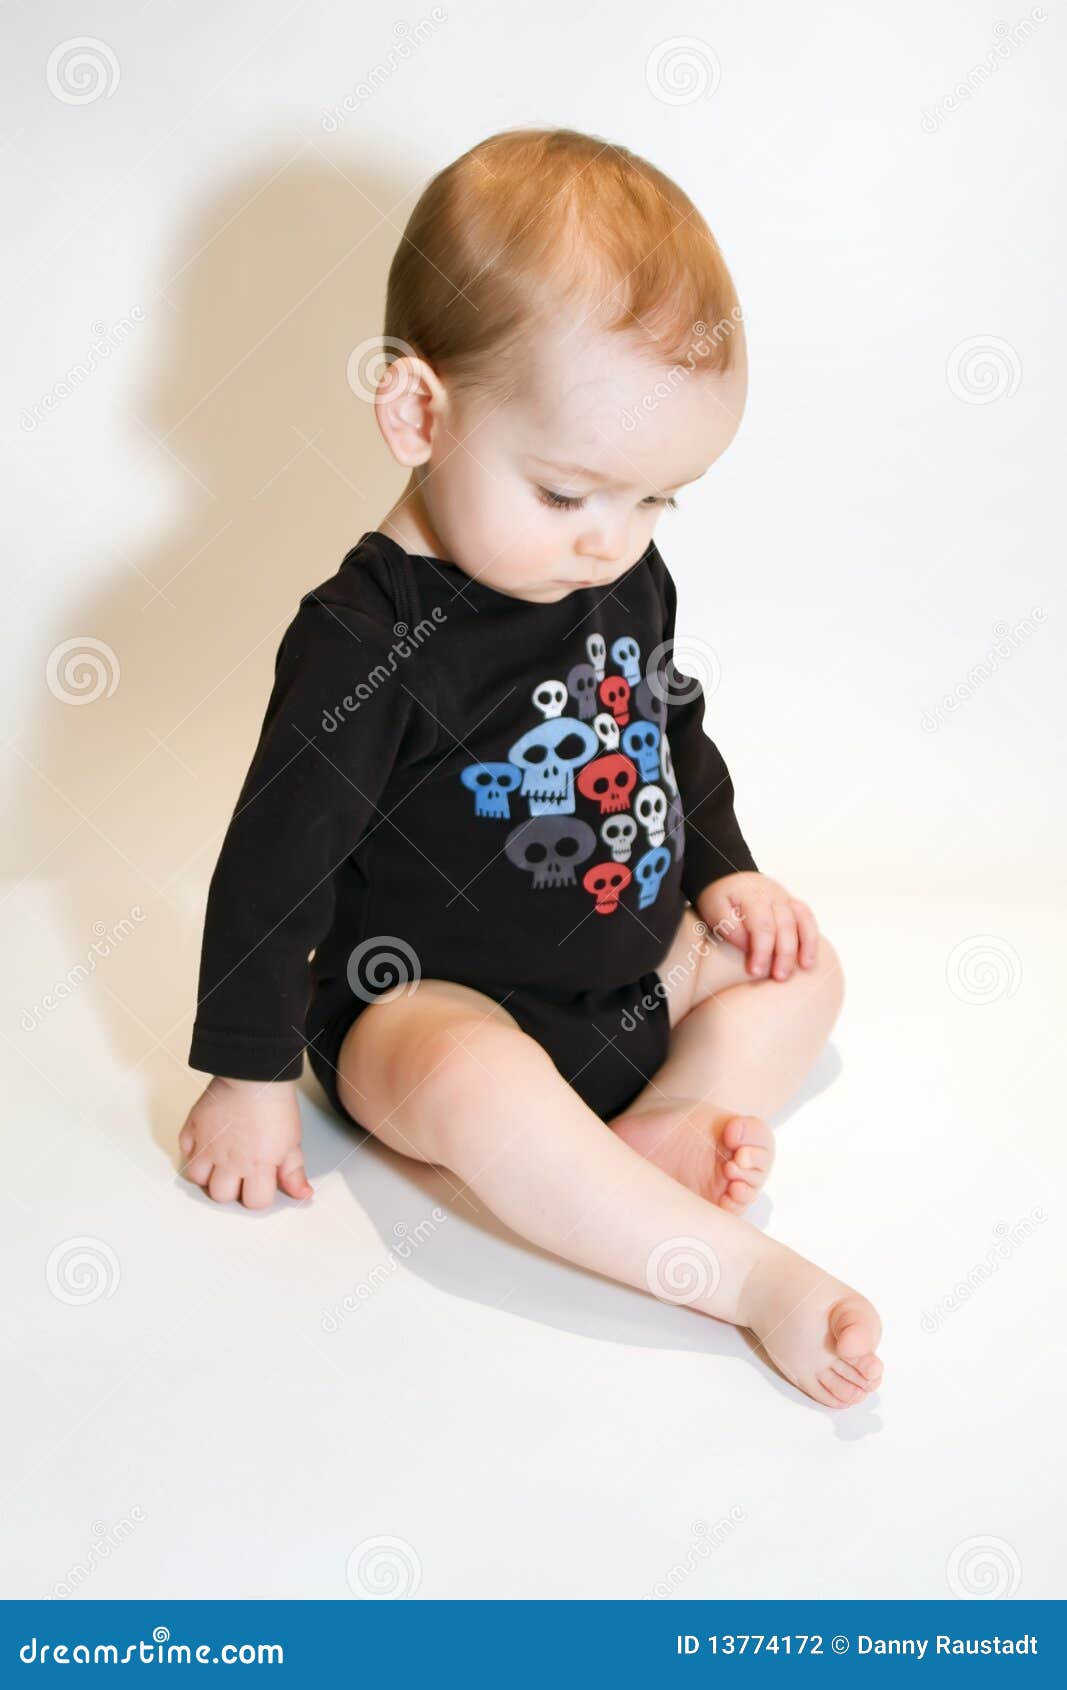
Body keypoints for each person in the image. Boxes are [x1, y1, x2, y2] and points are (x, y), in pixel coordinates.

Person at [180, 127, 883, 1410]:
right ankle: (736, 1277)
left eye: (659, 500)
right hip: (427, 1001)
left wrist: (727, 876)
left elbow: (669, 730)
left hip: (625, 973)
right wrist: (245, 1073)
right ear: (417, 410)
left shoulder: (613, 571)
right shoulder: (366, 635)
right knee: (470, 1079)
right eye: (568, 494)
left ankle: (665, 1119)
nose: (612, 540)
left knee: (801, 965)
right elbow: (276, 856)